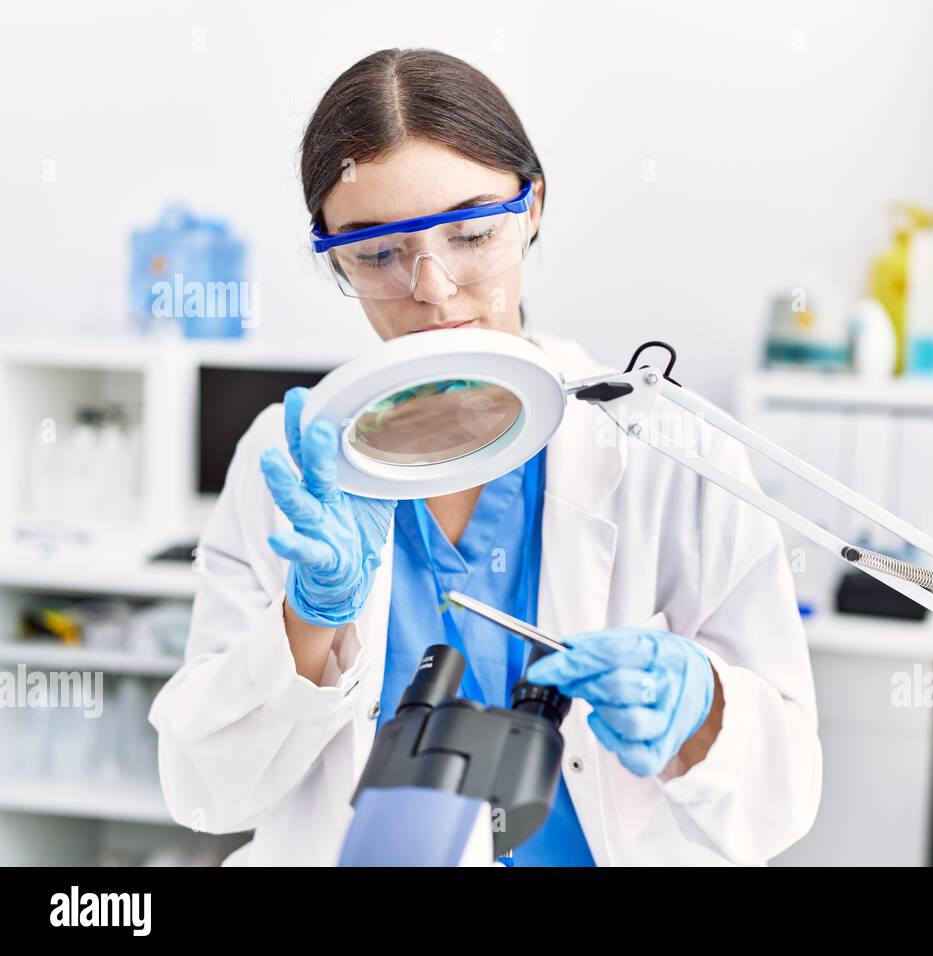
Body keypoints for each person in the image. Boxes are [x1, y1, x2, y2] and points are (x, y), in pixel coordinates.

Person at [148, 48, 821, 866]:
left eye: (471, 233)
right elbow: (204, 790)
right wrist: (307, 627)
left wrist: (701, 708)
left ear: (532, 209)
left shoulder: (667, 451)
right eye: (376, 252)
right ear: (333, 258)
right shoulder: (288, 463)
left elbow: (783, 798)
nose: (431, 286)